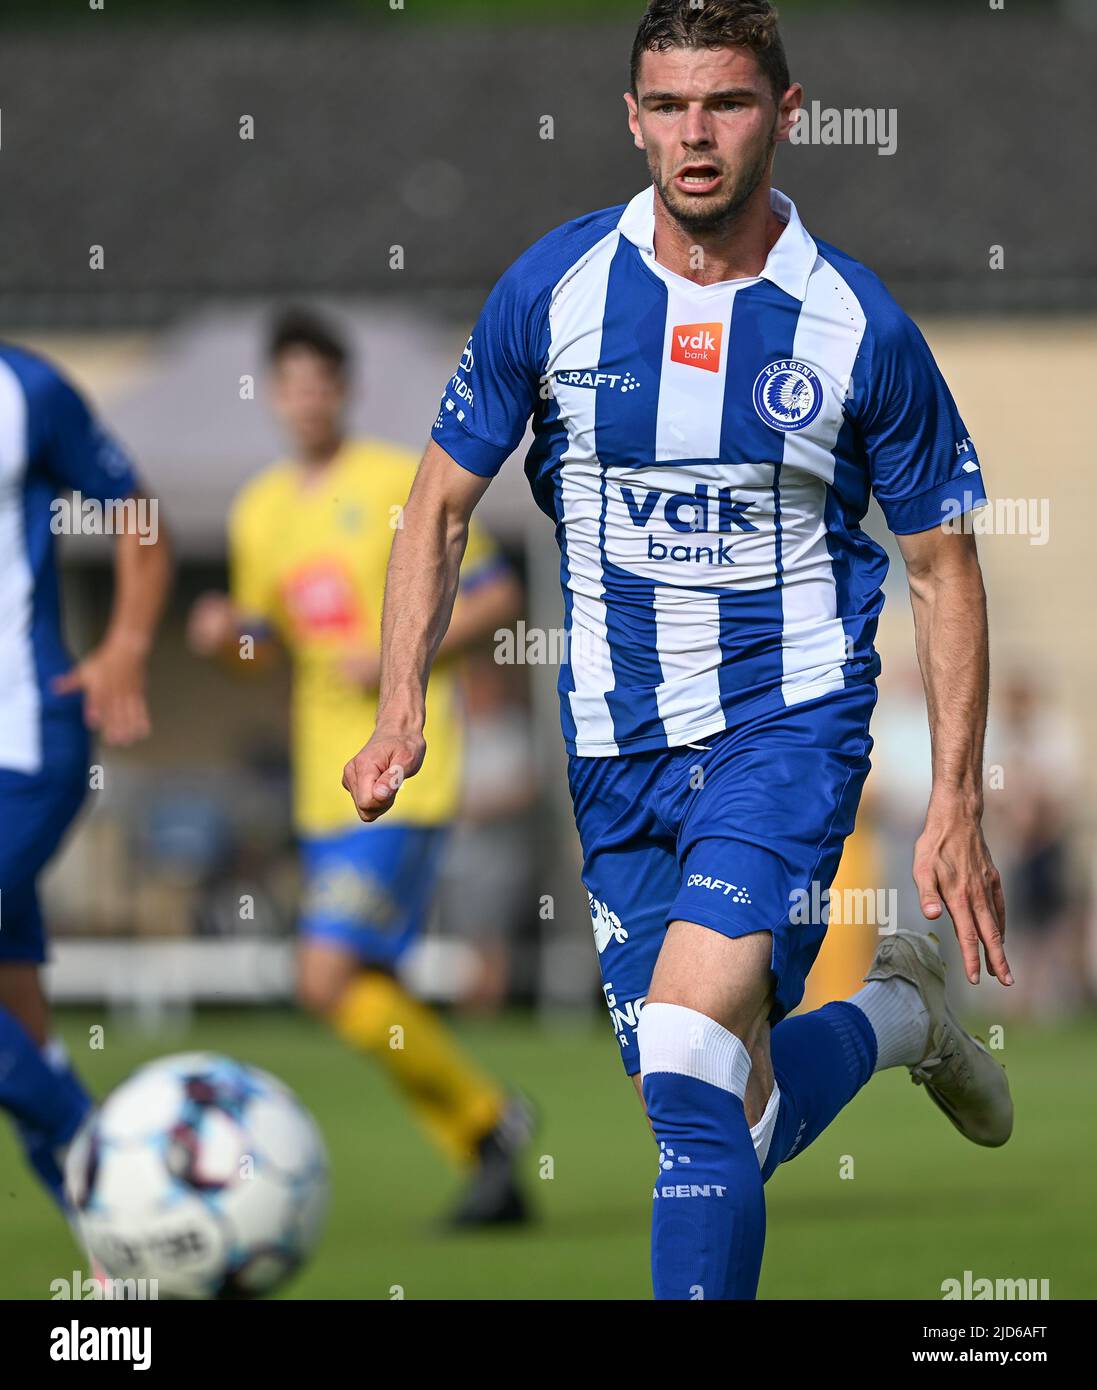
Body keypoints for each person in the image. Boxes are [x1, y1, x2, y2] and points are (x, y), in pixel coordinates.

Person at [342, 0, 1013, 1298]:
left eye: (726, 104)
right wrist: (396, 707)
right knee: (713, 1113)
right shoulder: (555, 289)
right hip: (614, 742)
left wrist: (957, 798)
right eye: (669, 105)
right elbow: (434, 502)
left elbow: (941, 563)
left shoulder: (852, 324)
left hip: (787, 728)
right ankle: (895, 1017)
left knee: (697, 1059)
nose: (694, 135)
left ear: (786, 115)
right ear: (632, 119)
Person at [188, 309, 531, 1226]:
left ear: (342, 389)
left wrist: (398, 666)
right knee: (360, 985)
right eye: (288, 384)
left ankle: (489, 1117)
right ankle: (485, 1148)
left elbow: (499, 596)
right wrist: (228, 639)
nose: (305, 400)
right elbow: (267, 650)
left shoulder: (393, 481)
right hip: (318, 782)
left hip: (406, 772)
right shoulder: (261, 508)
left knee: (324, 975)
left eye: (319, 382)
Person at [0, 343, 171, 1211]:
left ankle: (115, 1182)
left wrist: (129, 644)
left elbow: (136, 515)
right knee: (18, 1013)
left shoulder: (26, 391)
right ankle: (116, 1245)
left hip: (23, 748)